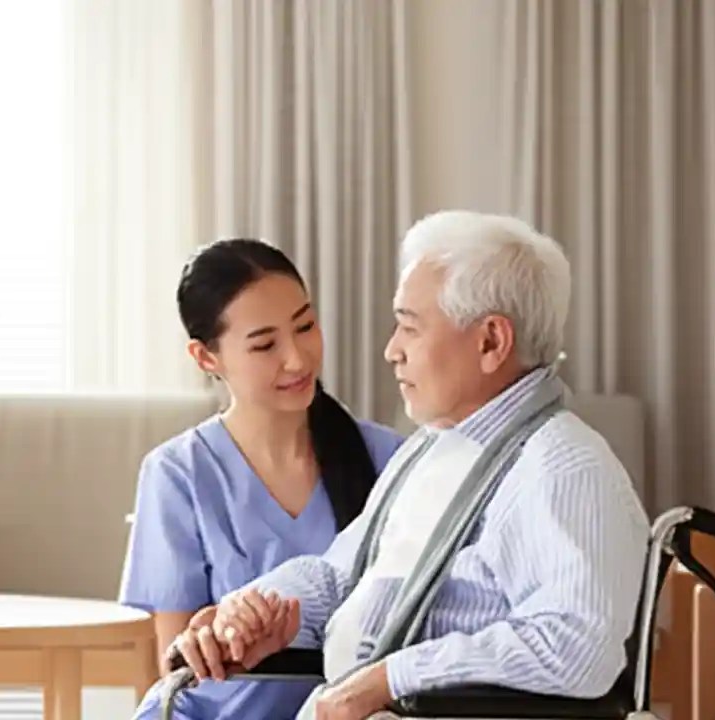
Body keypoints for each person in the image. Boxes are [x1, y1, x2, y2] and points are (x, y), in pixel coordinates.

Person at [162, 211, 650, 720]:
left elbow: (577, 646)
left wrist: (389, 678)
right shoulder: (433, 448)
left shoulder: (563, 467)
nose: (392, 350)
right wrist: (259, 611)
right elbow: (340, 576)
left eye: (410, 328)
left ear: (491, 342)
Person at [120, 239, 405, 720]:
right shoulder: (177, 474)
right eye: (265, 344)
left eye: (306, 326)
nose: (297, 358)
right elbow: (175, 665)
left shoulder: (389, 458)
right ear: (207, 358)